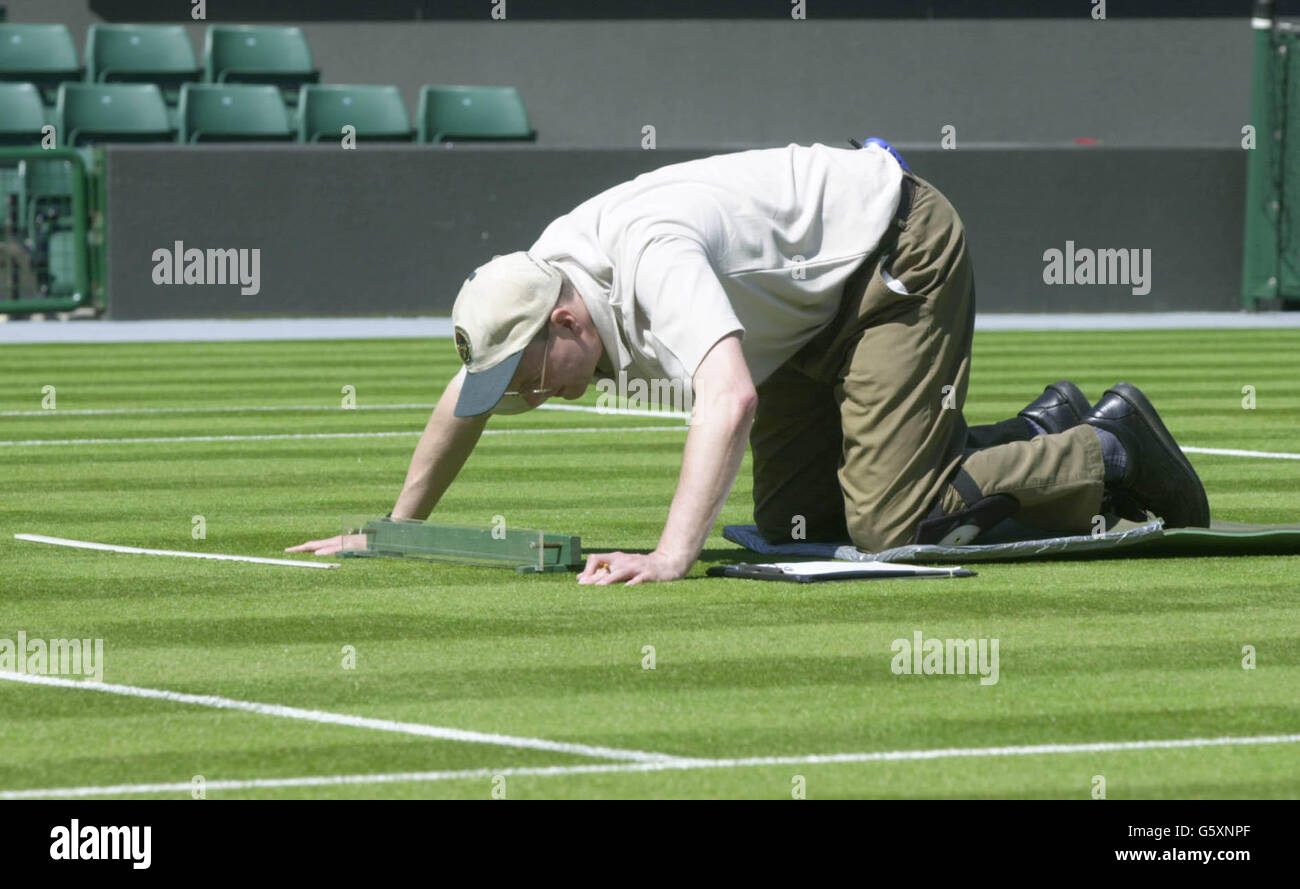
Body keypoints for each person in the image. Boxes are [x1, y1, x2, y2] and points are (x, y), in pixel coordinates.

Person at [288, 141, 1209, 583]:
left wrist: (669, 555)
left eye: (531, 372)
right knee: (806, 519)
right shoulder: (533, 292)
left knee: (892, 523)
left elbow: (726, 398)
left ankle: (1110, 447)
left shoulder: (649, 257)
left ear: (567, 318)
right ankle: (1041, 427)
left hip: (893, 257)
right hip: (802, 324)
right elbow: (466, 396)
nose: (527, 395)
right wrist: (392, 529)